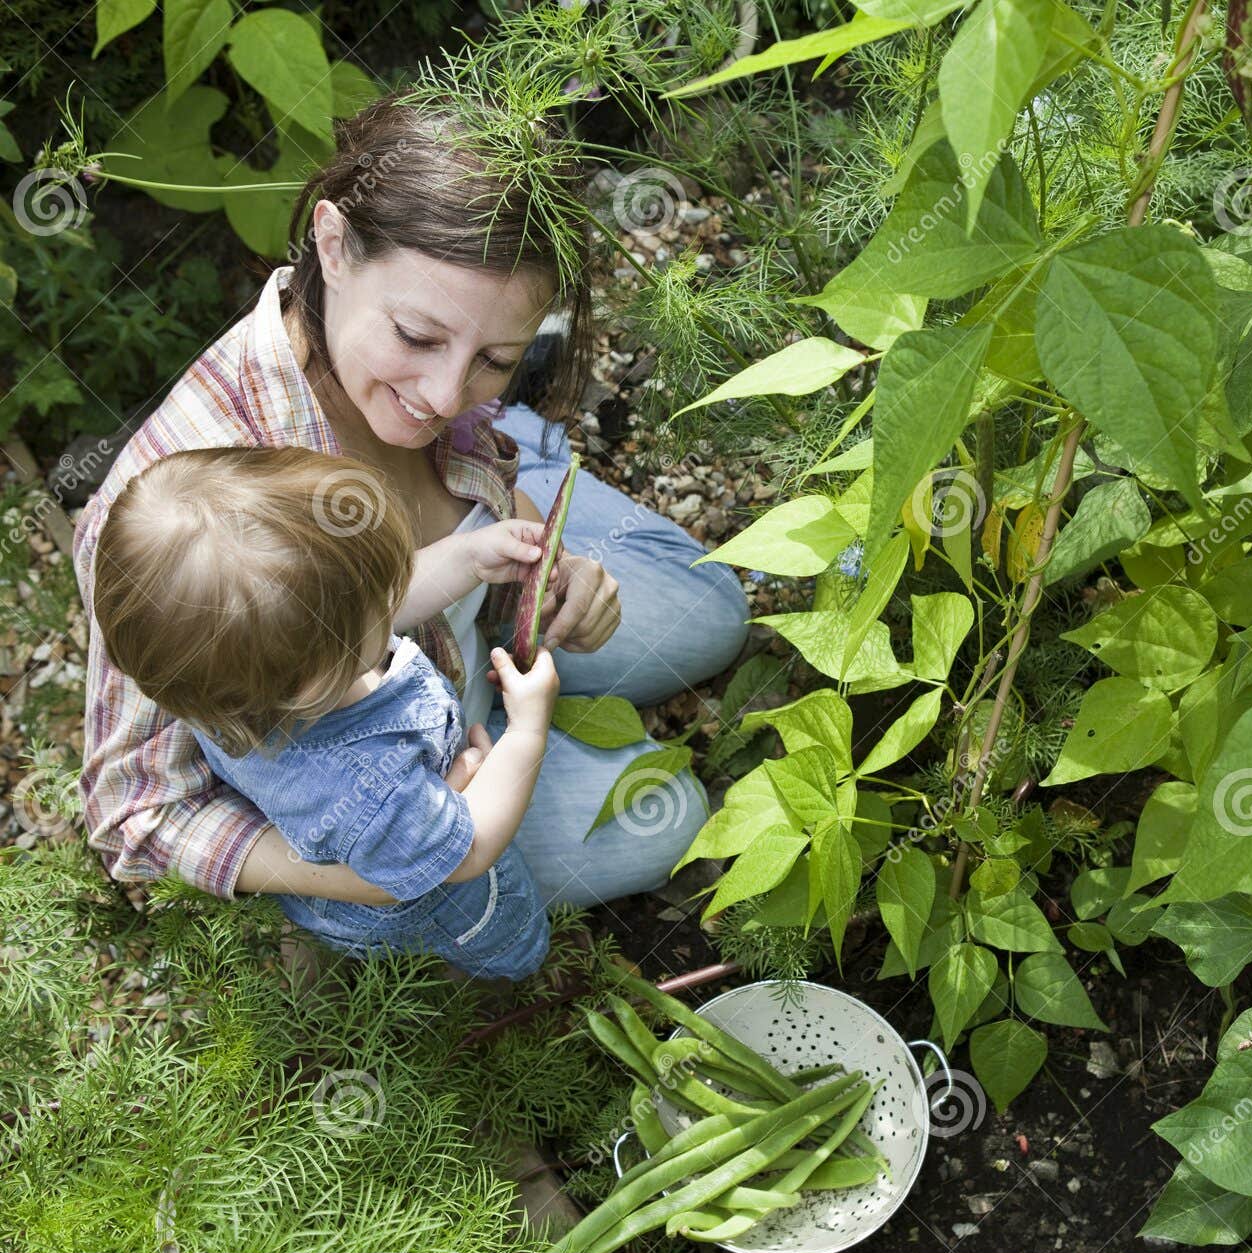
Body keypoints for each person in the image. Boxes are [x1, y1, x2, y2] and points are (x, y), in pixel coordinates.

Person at [71, 91, 751, 951]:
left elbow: (459, 419)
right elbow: (136, 811)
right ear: (333, 243)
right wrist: (378, 867)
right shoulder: (186, 502)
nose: (442, 396)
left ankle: (532, 456)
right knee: (668, 817)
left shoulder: (430, 379)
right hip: (405, 773)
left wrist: (555, 564)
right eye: (417, 336)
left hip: (480, 621)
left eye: (496, 360)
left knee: (715, 613)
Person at [93, 446, 563, 978]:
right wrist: (527, 731)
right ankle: (516, 968)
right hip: (444, 893)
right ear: (316, 675)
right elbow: (469, 852)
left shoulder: (227, 684)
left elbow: (356, 614)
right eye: (378, 602)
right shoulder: (365, 784)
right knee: (500, 922)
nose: (391, 598)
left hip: (369, 845)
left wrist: (466, 558)